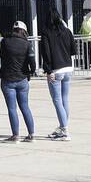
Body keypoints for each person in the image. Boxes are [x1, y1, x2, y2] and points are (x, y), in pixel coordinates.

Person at [39, 11, 76, 140]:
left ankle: (64, 129)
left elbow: (46, 53)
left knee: (57, 100)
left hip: (56, 69)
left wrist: (48, 71)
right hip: (68, 67)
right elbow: (73, 50)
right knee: (65, 98)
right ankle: (63, 126)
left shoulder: (46, 33)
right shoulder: (67, 31)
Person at [0, 21, 36, 142]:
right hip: (22, 79)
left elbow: (2, 57)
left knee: (12, 108)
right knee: (25, 107)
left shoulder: (4, 42)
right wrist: (30, 72)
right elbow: (32, 62)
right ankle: (31, 134)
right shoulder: (27, 44)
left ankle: (16, 135)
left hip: (8, 79)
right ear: (23, 31)